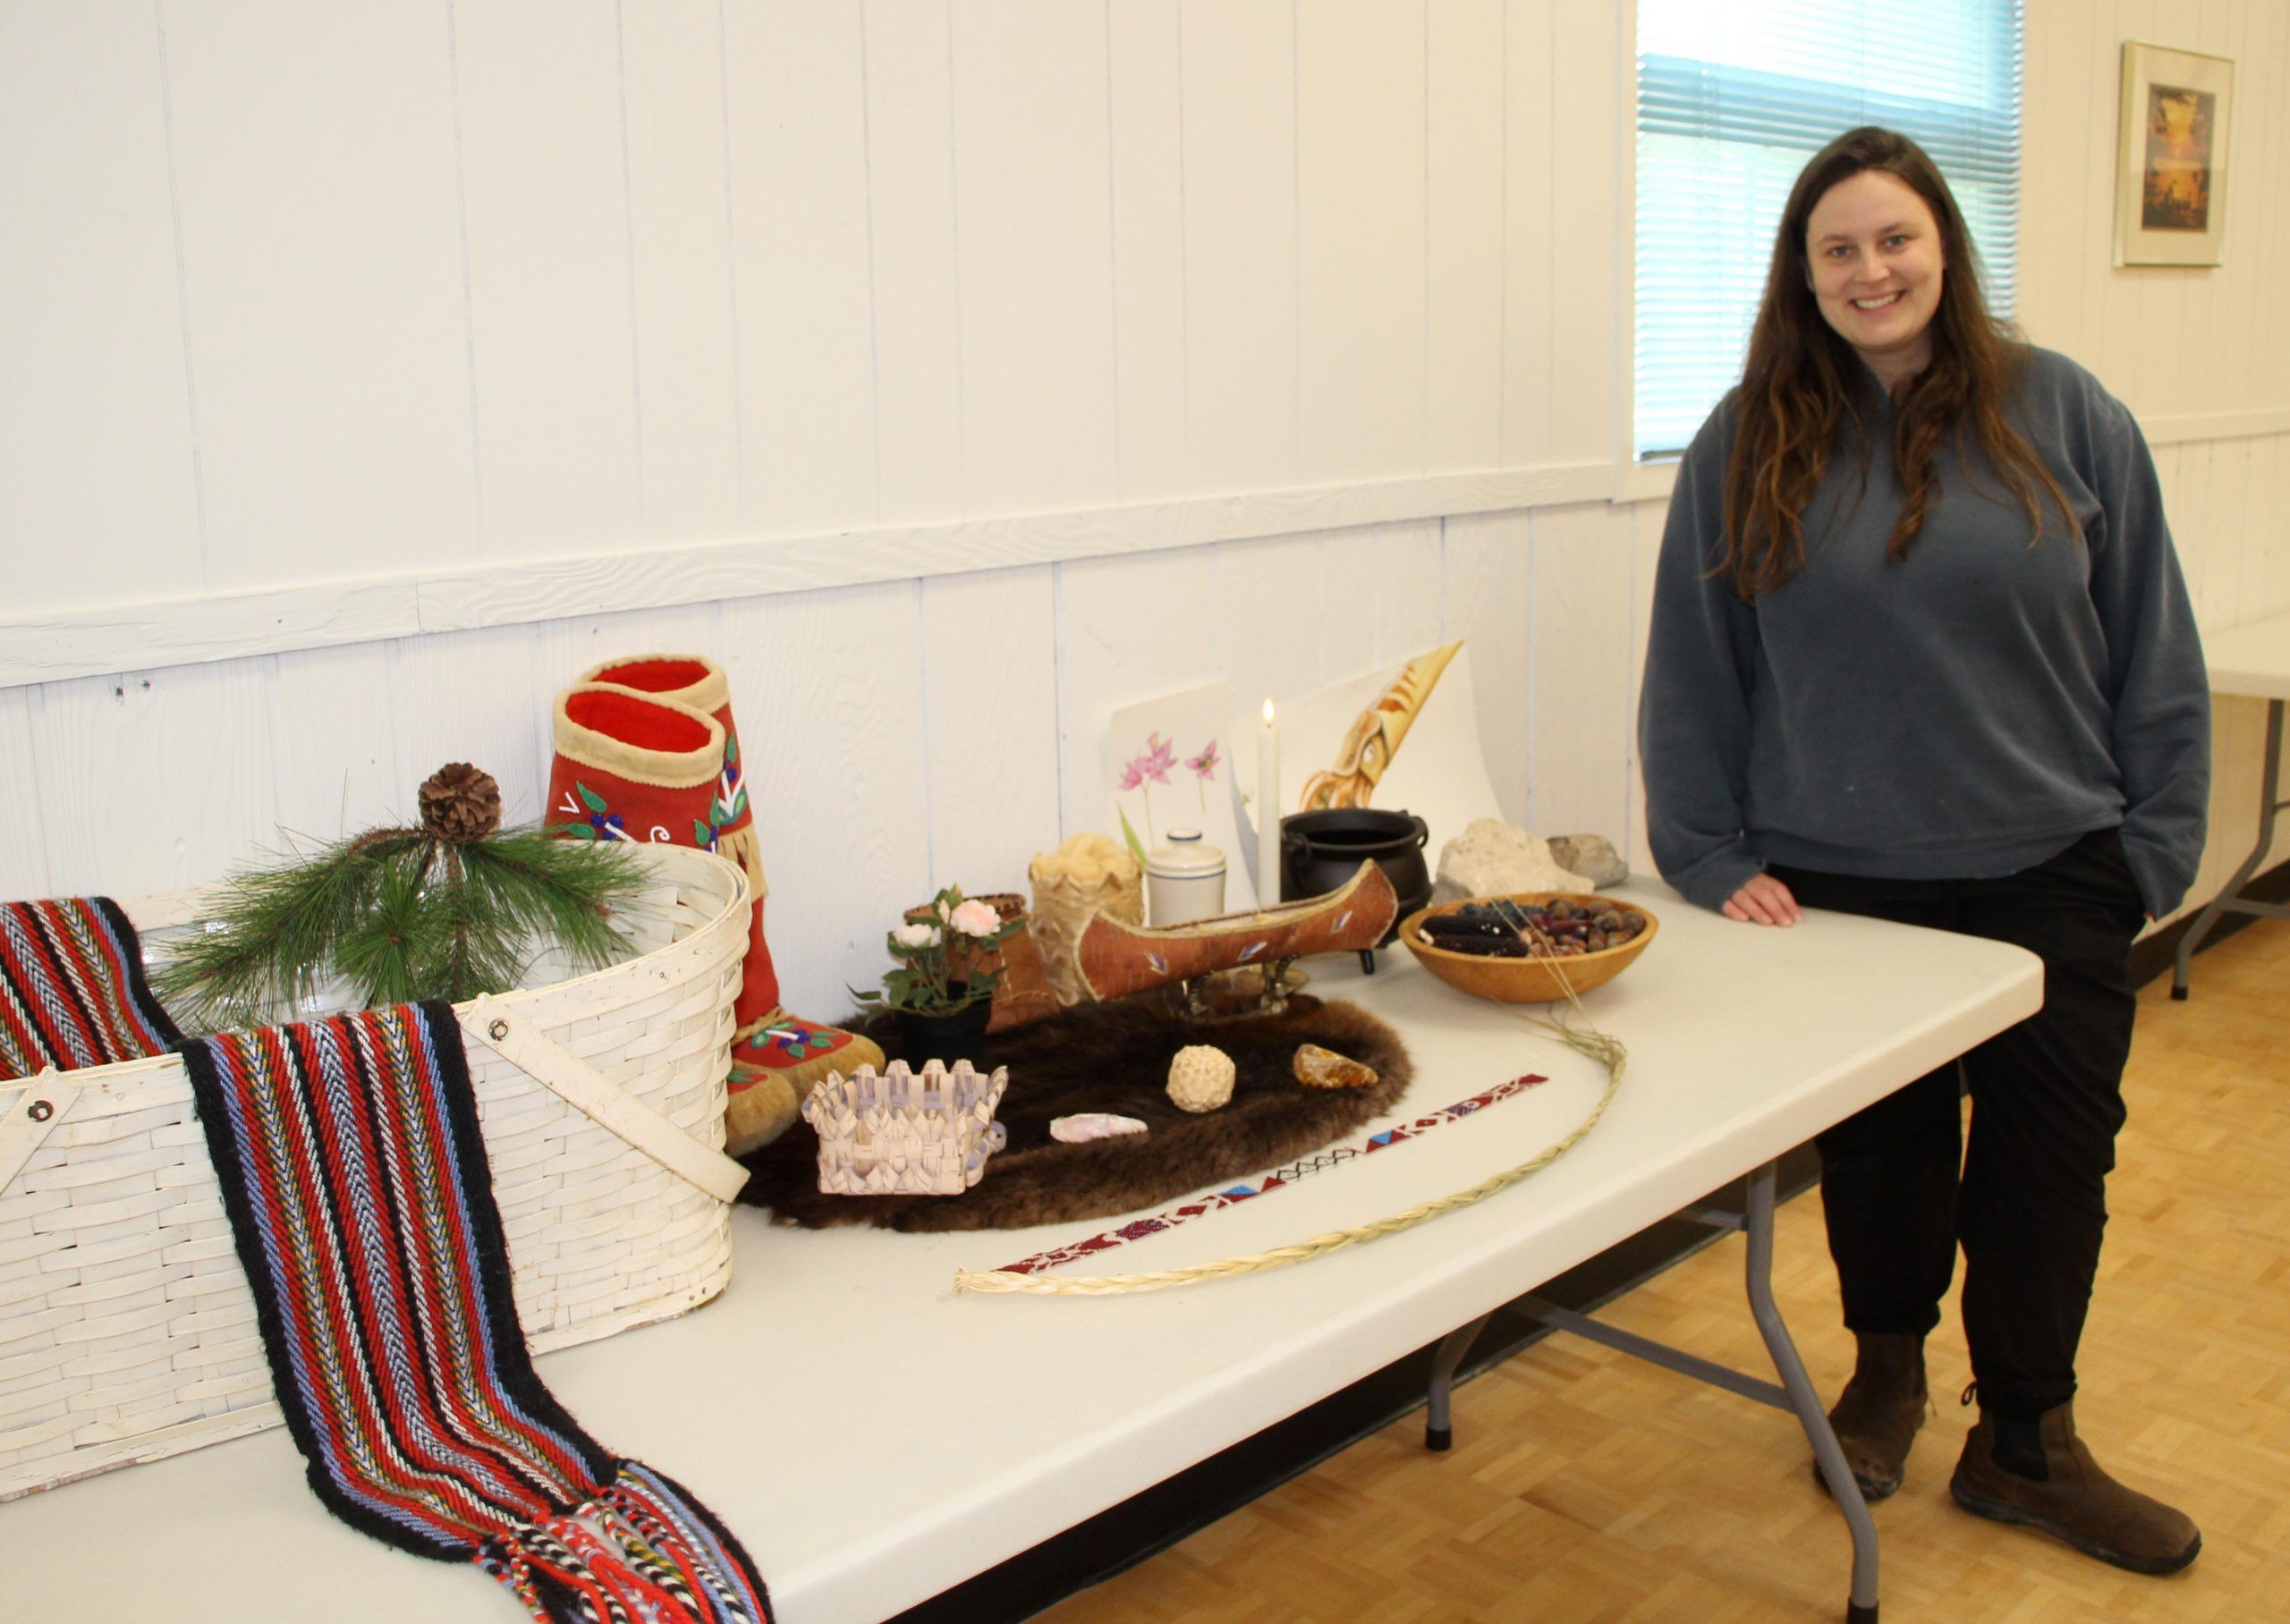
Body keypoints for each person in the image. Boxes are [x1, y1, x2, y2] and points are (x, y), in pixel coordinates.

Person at [1638, 127, 2209, 1575]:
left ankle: (2029, 1439)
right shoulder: (1748, 435)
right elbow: (1696, 666)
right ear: (1804, 274)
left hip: (2053, 866)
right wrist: (1704, 850)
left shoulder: (2064, 414)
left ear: (1944, 247)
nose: (1869, 270)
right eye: (1837, 249)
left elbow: (2154, 646)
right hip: (1836, 883)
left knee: (2048, 1163)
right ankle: (1884, 1375)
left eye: (1894, 239)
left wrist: (2155, 850)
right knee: (1884, 1157)